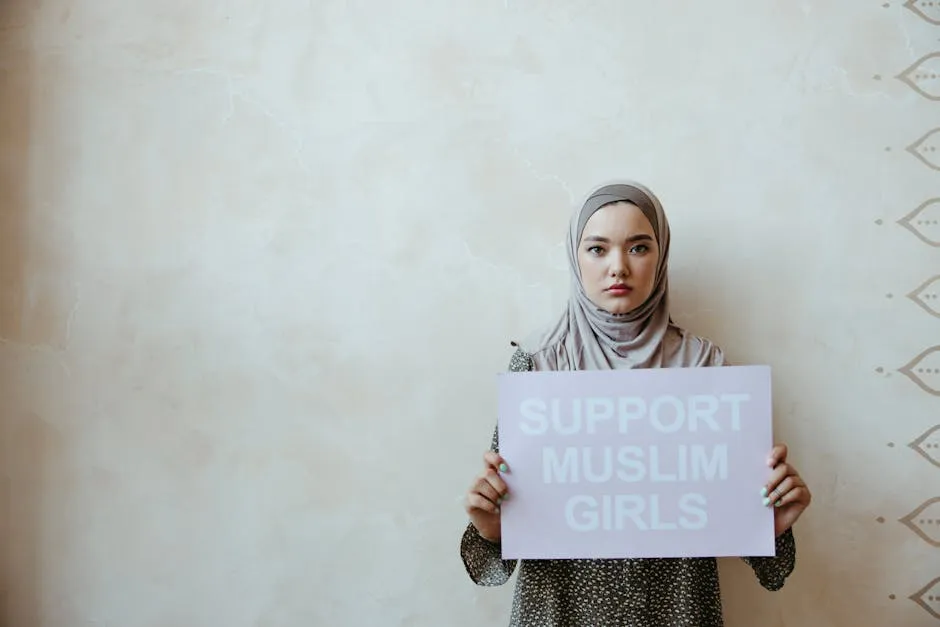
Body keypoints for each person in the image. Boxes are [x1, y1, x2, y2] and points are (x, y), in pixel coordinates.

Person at [459, 181, 812, 626]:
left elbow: (740, 532)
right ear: (575, 256)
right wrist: (492, 527)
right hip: (559, 612)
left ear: (661, 256)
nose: (618, 267)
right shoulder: (538, 367)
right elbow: (503, 531)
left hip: (679, 611)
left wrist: (771, 524)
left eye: (639, 247)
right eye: (597, 249)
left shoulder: (707, 370)